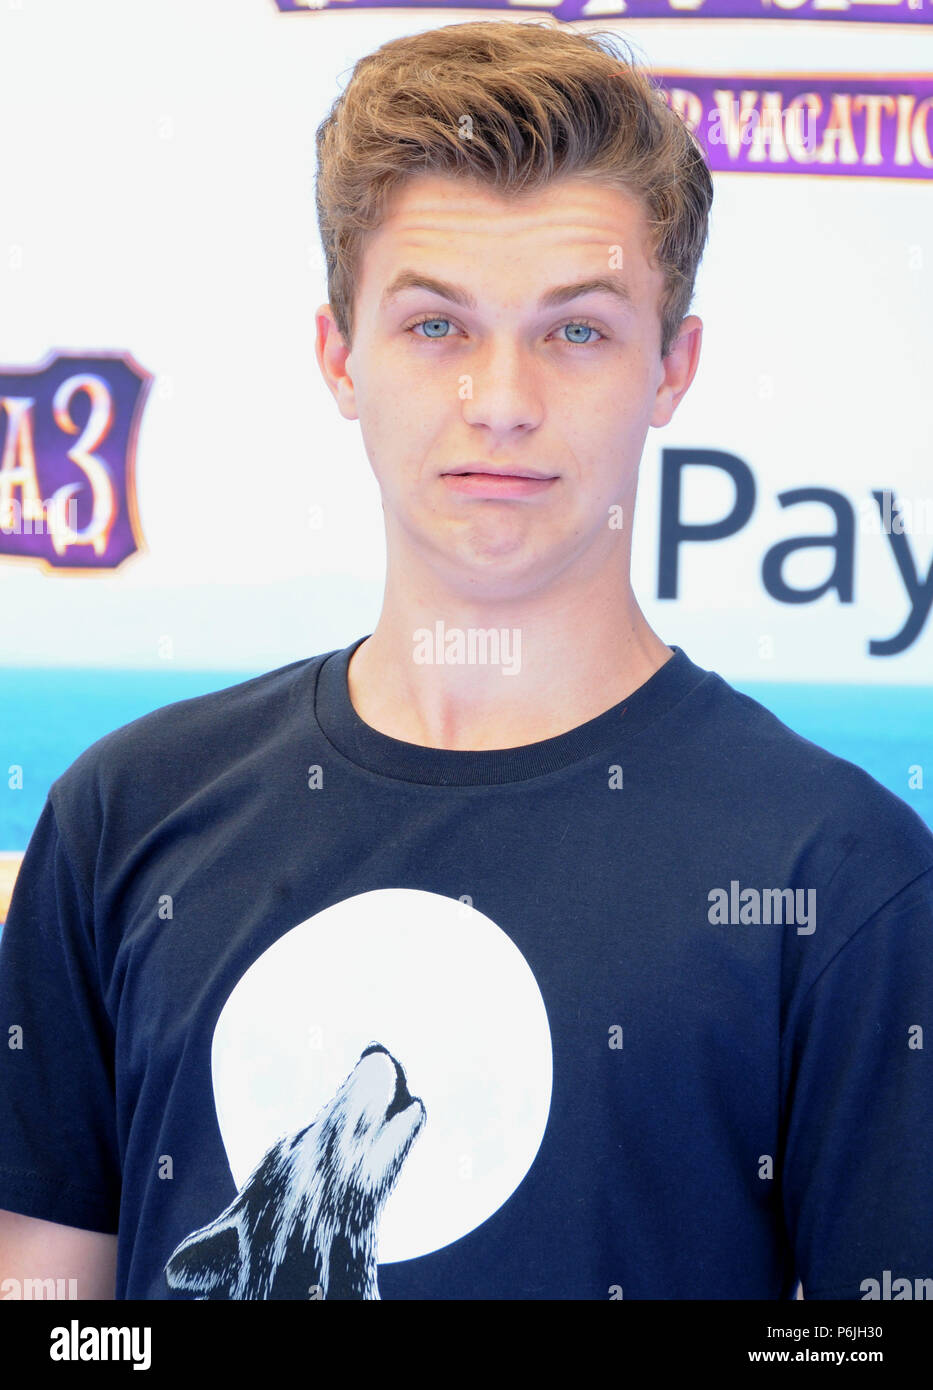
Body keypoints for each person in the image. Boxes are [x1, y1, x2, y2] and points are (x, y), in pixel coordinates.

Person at [0, 18, 931, 1302]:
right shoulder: (124, 817)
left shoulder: (850, 881)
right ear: (340, 356)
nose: (501, 399)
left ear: (675, 367)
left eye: (578, 331)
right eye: (437, 326)